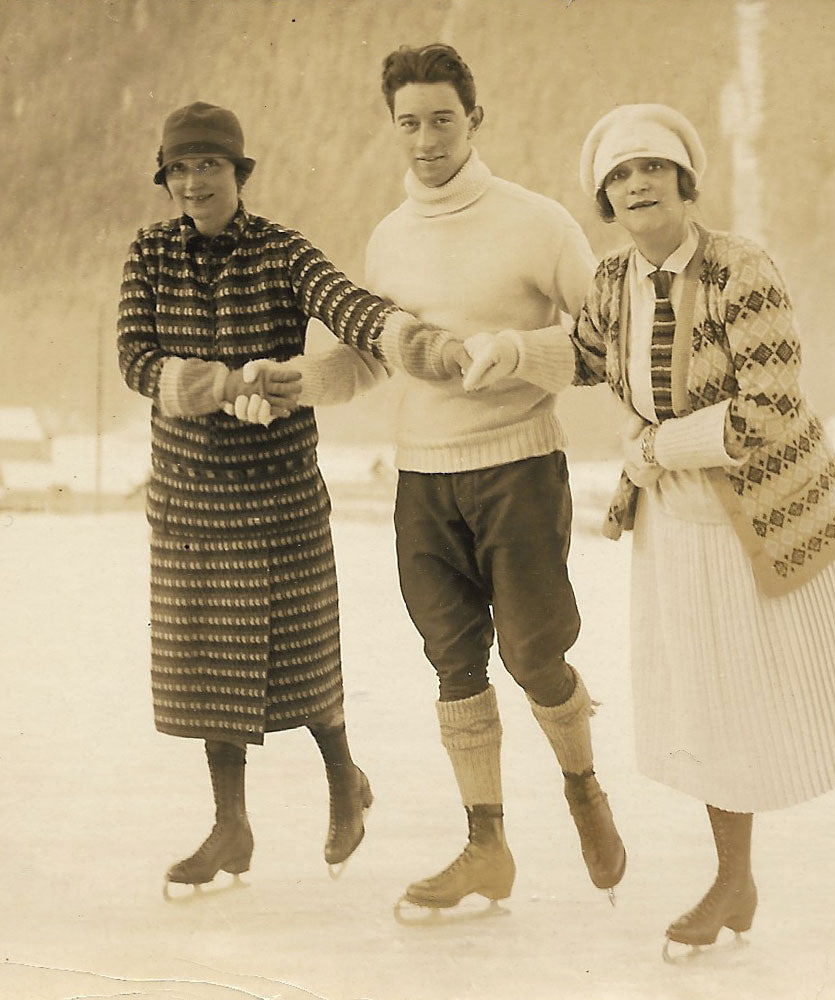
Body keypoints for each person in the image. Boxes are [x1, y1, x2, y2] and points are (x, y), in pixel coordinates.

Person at [465, 103, 835, 952]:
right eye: (618, 177)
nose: (637, 185)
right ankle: (734, 881)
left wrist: (658, 443)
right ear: (606, 201)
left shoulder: (741, 269)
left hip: (777, 514)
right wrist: (512, 352)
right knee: (709, 701)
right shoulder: (615, 282)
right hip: (680, 526)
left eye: (652, 168)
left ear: (685, 182)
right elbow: (584, 353)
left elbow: (769, 407)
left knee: (829, 672)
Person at [242, 44, 626, 913]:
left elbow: (605, 346)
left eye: (442, 119)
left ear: (475, 121)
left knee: (533, 652)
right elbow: (371, 364)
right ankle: (486, 845)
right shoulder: (388, 237)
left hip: (520, 468)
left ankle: (582, 789)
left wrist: (520, 351)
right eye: (408, 122)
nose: (425, 139)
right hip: (424, 482)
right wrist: (301, 381)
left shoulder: (537, 223)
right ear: (393, 129)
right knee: (454, 664)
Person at [118, 101, 452, 896]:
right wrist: (226, 383)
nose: (194, 182)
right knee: (212, 671)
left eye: (210, 166)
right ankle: (230, 826)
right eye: (180, 168)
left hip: (278, 499)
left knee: (301, 660)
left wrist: (414, 339)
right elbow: (135, 357)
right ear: (166, 179)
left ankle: (345, 781)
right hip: (191, 500)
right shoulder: (150, 253)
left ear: (240, 174)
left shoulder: (281, 252)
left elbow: (348, 305)